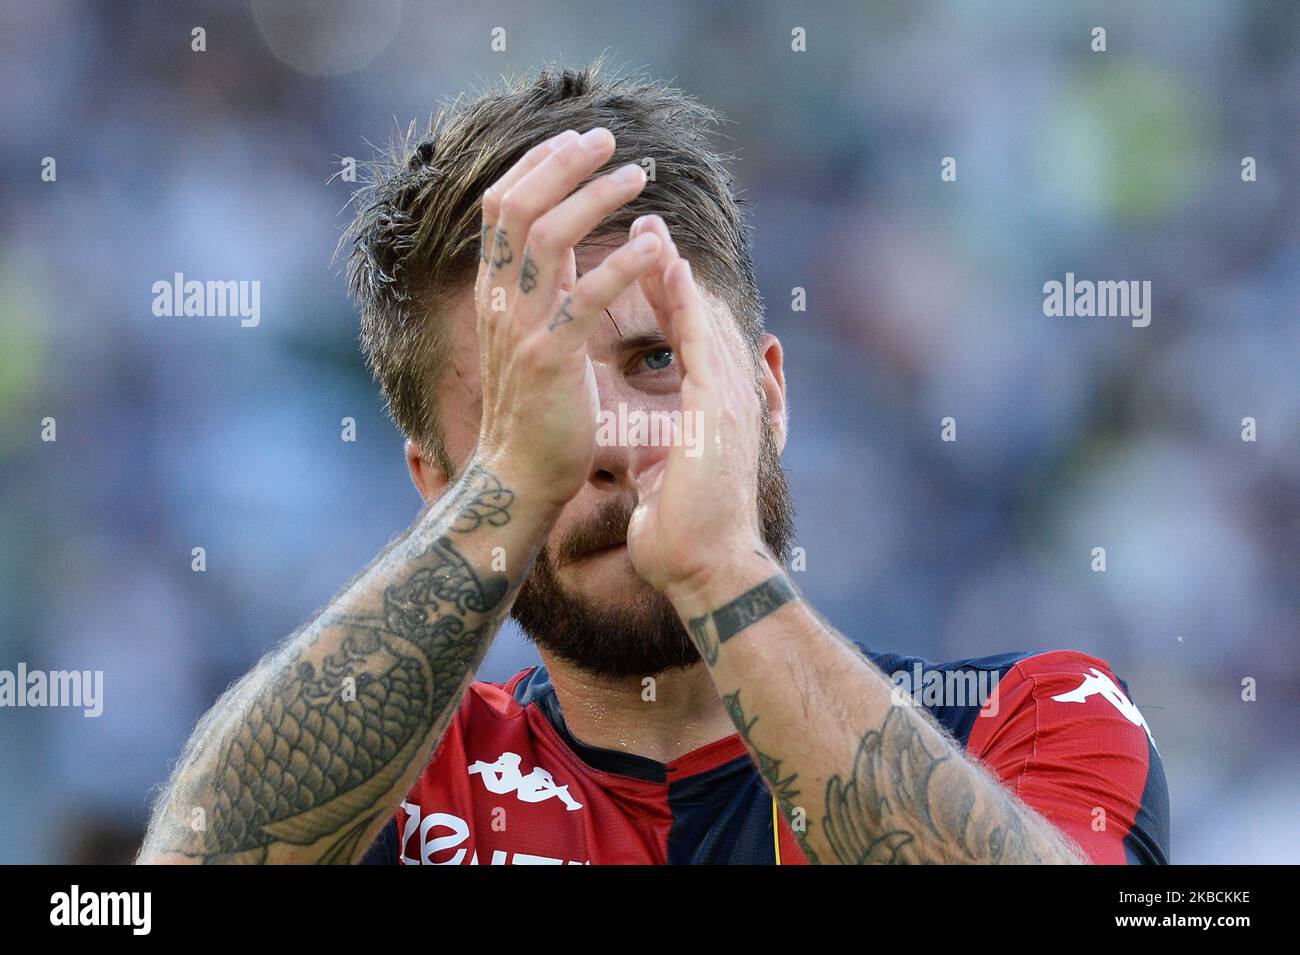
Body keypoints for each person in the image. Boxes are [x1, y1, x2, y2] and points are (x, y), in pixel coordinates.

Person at [138, 62, 1168, 865]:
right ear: (436, 487)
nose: (612, 438)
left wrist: (722, 567)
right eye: (523, 401)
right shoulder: (401, 789)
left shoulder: (1029, 717)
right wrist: (511, 492)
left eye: (655, 360)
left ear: (764, 394)